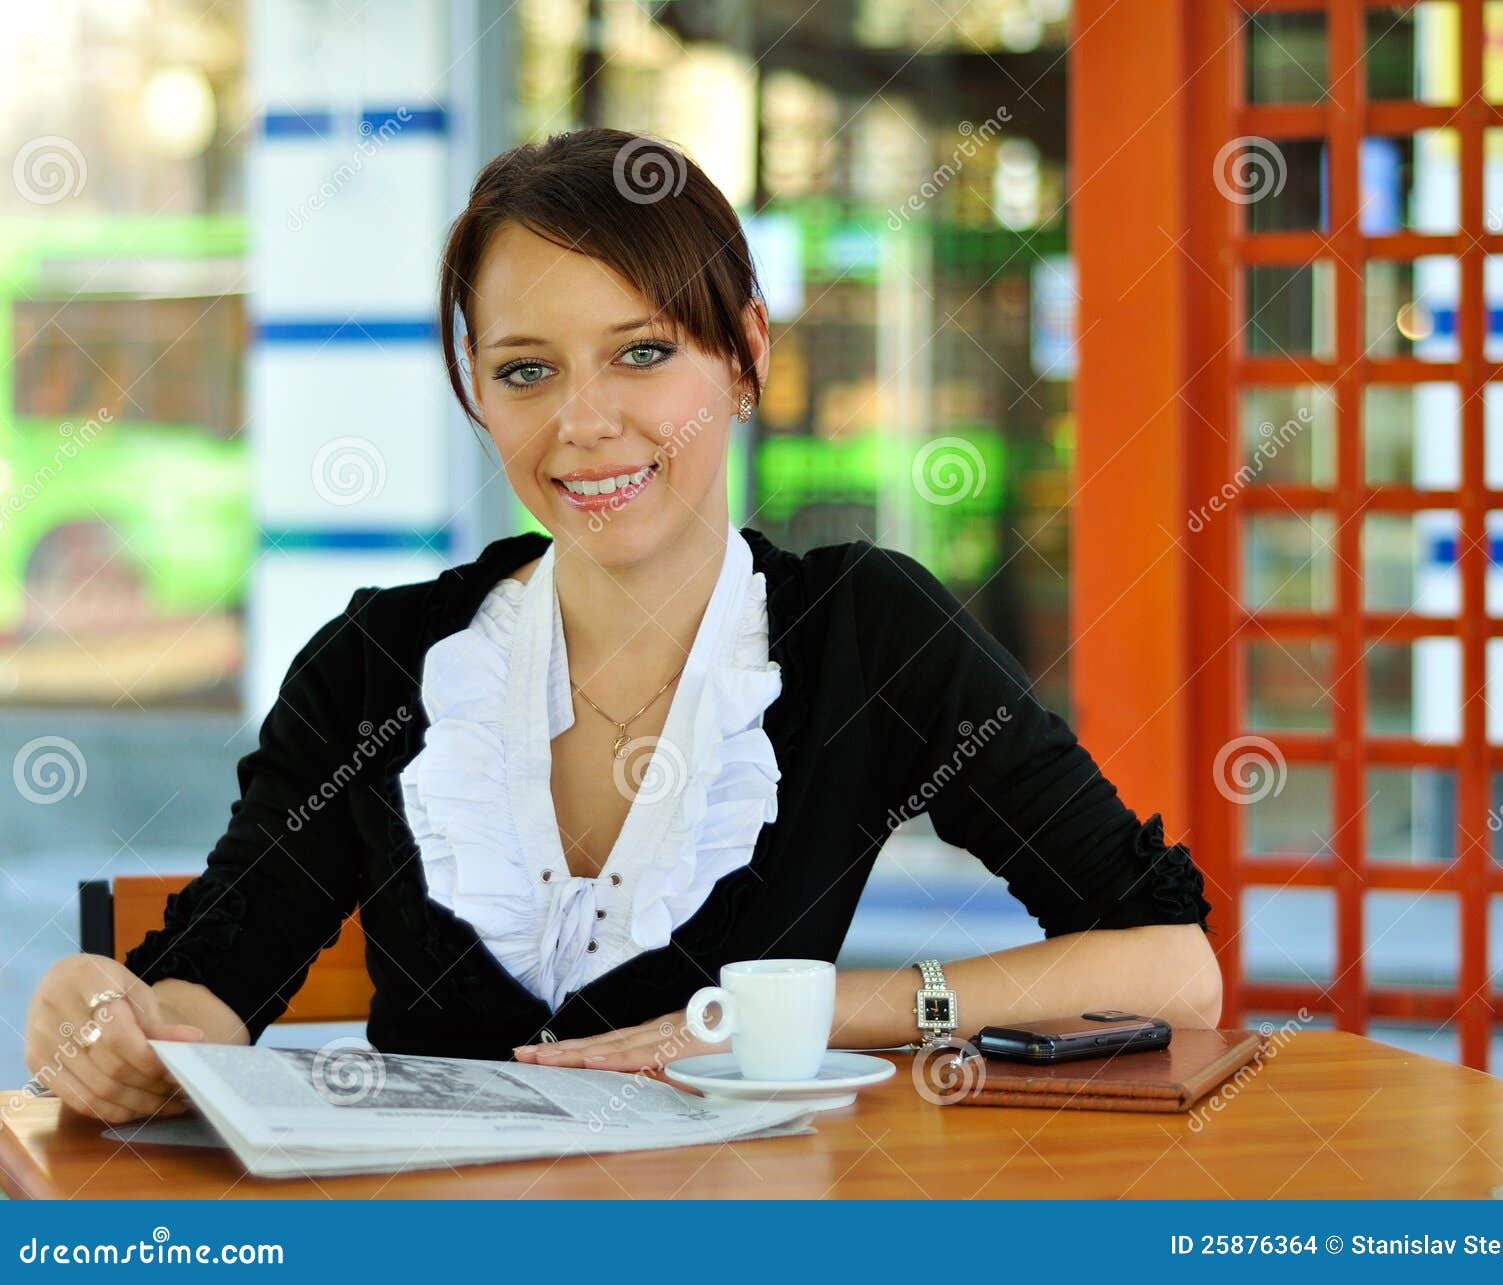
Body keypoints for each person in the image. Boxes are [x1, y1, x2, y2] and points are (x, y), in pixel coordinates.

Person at [23, 128, 1219, 1126]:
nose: (584, 423)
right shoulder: (381, 664)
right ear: (476, 390)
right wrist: (109, 1015)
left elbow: (1174, 969)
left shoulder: (862, 632)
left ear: (746, 353)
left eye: (642, 353)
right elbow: (206, 994)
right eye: (526, 371)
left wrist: (781, 1015)